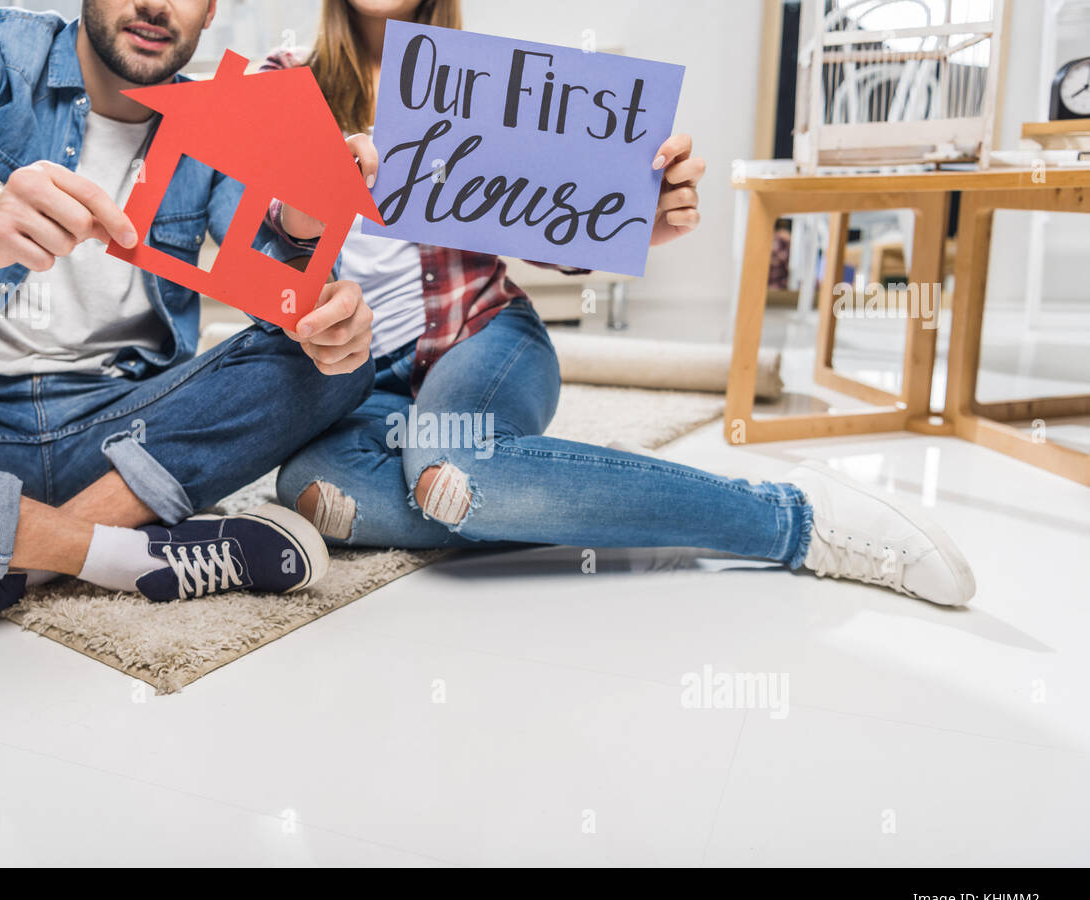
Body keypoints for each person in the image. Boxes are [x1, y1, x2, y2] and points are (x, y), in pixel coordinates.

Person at [265, 0, 977, 606]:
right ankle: (582, 478)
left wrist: (632, 222)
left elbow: (538, 219)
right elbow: (259, 255)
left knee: (460, 471)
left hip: (482, 339)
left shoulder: (483, 76)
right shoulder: (281, 83)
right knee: (313, 491)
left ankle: (795, 516)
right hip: (362, 380)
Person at [0, 0, 380, 667]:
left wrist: (302, 232)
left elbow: (284, 290)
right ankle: (118, 554)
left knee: (340, 357)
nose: (157, 4)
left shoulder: (222, 118)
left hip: (117, 440)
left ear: (212, 9)